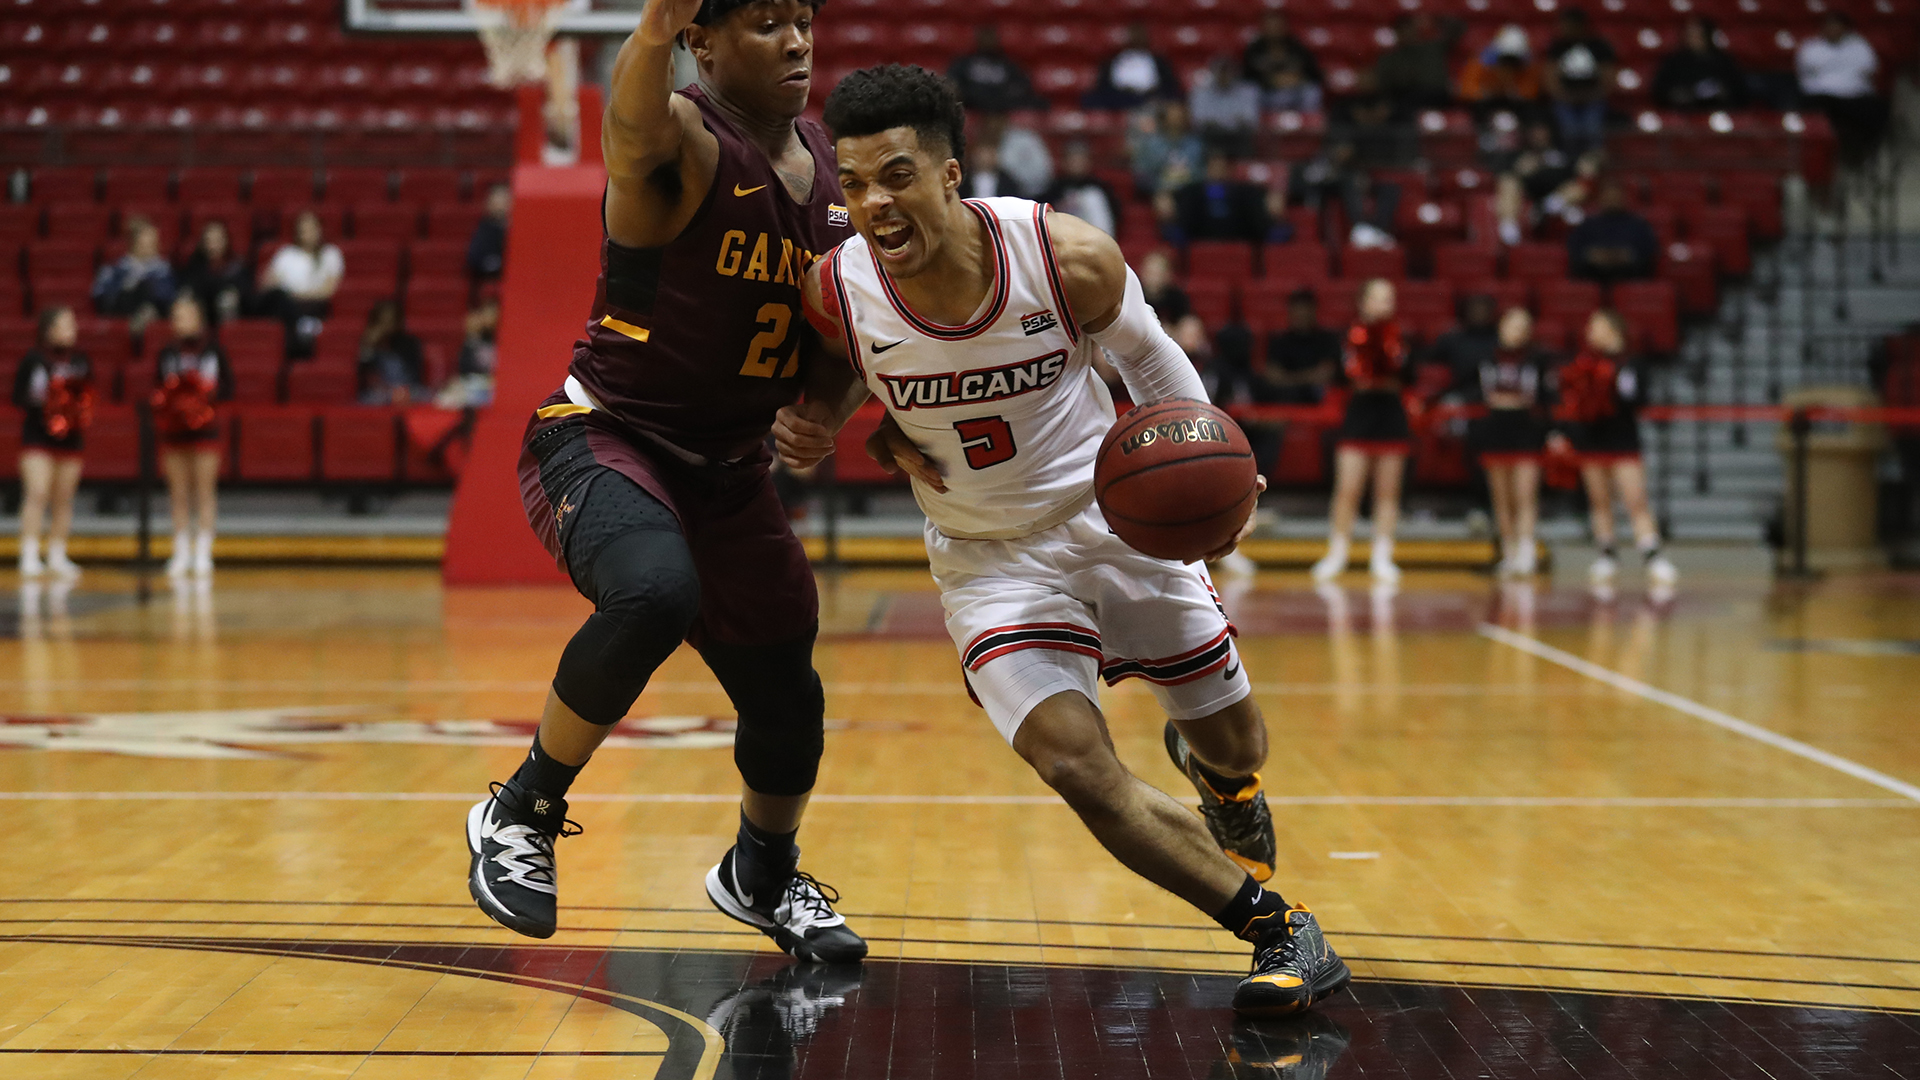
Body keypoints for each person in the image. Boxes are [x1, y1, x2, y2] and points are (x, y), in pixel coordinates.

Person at [800, 62, 1348, 1017]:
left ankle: (1223, 778)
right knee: (1074, 765)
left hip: (1117, 519)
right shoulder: (834, 288)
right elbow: (860, 359)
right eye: (852, 184)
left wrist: (1217, 477)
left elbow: (1152, 362)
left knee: (1235, 739)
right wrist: (860, 419)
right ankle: (1276, 927)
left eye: (894, 175)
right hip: (986, 559)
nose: (873, 202)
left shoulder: (1066, 258)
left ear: (950, 175)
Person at [469, 0, 867, 966]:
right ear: (703, 41)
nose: (797, 40)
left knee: (789, 694)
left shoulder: (838, 173)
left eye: (802, 19)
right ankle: (517, 810)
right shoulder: (684, 136)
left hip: (732, 471)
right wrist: (650, 28)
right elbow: (633, 127)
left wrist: (829, 408)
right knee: (654, 591)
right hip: (609, 435)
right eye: (766, 21)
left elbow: (858, 320)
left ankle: (762, 875)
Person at [1549, 309, 1677, 588]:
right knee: (1600, 501)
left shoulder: (1633, 363)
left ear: (1613, 330)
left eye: (1596, 327)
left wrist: (1614, 387)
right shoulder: (1583, 363)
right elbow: (1570, 403)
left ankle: (1651, 556)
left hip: (1623, 440)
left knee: (1635, 500)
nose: (1590, 333)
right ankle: (1607, 555)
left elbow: (1638, 400)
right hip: (1592, 440)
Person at [1311, 279, 1410, 584]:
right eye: (1378, 298)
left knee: (1387, 492)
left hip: (1391, 417)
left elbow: (1409, 375)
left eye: (1389, 298)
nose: (1385, 304)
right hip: (1358, 416)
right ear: (1363, 301)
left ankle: (1382, 556)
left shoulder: (1402, 338)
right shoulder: (1347, 337)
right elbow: (1342, 377)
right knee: (1347, 489)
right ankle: (1338, 553)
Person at [1467, 306, 1552, 577]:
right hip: (1495, 428)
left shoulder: (1538, 359)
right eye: (1512, 325)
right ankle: (1509, 551)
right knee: (1501, 497)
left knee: (1525, 494)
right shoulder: (1486, 357)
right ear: (1502, 327)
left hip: (1526, 429)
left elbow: (1548, 398)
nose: (1517, 331)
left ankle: (1526, 550)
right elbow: (1471, 389)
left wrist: (1552, 430)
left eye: (1522, 326)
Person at [151, 295, 232, 579]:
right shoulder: (167, 353)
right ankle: (181, 549)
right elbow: (157, 389)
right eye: (176, 317)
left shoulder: (213, 351)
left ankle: (203, 551)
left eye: (185, 316)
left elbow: (227, 387)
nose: (180, 322)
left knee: (204, 490)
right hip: (174, 431)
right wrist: (174, 402)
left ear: (198, 319)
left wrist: (199, 399)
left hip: (205, 430)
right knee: (178, 492)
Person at [12, 305, 92, 579]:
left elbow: (88, 396)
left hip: (71, 438)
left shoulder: (80, 360)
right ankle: (29, 552)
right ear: (49, 329)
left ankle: (57, 554)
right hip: (37, 435)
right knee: (37, 492)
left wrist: (73, 408)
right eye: (65, 325)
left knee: (64, 498)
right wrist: (47, 403)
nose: (72, 330)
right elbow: (18, 396)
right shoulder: (33, 359)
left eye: (73, 325)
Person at [1796, 13, 1886, 164]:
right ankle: (1817, 155)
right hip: (1821, 96)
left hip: (1853, 96)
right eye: (1829, 25)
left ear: (1845, 28)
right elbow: (1807, 72)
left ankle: (1860, 153)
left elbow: (1869, 70)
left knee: (1878, 109)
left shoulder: (1860, 46)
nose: (1833, 29)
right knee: (1812, 111)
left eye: (1837, 25)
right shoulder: (1810, 47)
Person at [258, 208, 343, 357]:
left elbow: (328, 290)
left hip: (314, 306)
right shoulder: (286, 254)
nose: (307, 233)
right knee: (277, 299)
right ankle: (302, 325)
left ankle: (302, 327)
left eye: (311, 228)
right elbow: (268, 285)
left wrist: (297, 295)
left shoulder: (330, 254)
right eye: (303, 229)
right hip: (284, 307)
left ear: (320, 230)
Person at [1544, 9, 1617, 154]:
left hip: (1593, 99)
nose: (1563, 29)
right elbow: (1549, 78)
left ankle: (1593, 164)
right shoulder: (1558, 47)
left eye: (1567, 25)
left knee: (1592, 130)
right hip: (1565, 99)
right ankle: (1570, 163)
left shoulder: (1598, 47)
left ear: (1579, 25)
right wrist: (1566, 96)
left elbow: (1609, 78)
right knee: (1569, 130)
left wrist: (1591, 95)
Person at [1160, 150, 1271, 245]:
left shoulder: (1245, 192)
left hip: (1238, 240)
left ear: (1229, 169)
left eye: (1221, 166)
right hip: (1198, 240)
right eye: (1213, 166)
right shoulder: (1192, 191)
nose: (1217, 170)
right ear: (1207, 168)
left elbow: (1259, 224)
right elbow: (1181, 222)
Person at [91, 216, 176, 332]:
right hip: (120, 327)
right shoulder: (113, 271)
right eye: (148, 241)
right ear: (134, 243)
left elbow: (170, 300)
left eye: (155, 241)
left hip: (157, 327)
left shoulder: (164, 271)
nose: (155, 245)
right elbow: (102, 300)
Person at [1568, 177, 1657, 284]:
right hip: (1593, 277)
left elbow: (1648, 250)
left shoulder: (1638, 225)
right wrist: (1593, 256)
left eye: (1615, 196)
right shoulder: (1587, 225)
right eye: (1608, 196)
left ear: (1624, 198)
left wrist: (1626, 256)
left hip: (1629, 278)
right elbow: (1575, 249)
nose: (1612, 200)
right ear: (1600, 198)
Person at [1260, 289, 1341, 405]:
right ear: (1290, 312)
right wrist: (1308, 378)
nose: (1301, 315)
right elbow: (1273, 376)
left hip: (1319, 400)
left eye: (1305, 310)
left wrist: (1288, 379)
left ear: (1313, 311)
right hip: (1286, 401)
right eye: (1297, 310)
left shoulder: (1329, 340)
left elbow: (1325, 375)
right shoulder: (1278, 342)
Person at [1373, 13, 1462, 113]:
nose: (1408, 33)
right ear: (1397, 32)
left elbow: (1458, 30)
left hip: (1437, 97)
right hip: (1405, 100)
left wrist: (1439, 18)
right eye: (1404, 29)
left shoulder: (1432, 47)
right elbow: (1385, 86)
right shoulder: (1389, 57)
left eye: (1411, 28)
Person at [1653, 17, 1747, 112]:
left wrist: (1724, 92)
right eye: (1690, 34)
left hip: (1718, 111)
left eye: (1699, 34)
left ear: (1708, 36)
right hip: (1684, 113)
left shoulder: (1723, 61)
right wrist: (1680, 94)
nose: (1694, 38)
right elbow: (1660, 91)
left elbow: (1739, 91)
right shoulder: (1674, 61)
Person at [946, 24, 1042, 114]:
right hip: (972, 104)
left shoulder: (1007, 64)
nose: (988, 41)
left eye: (991, 37)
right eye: (985, 37)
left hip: (1001, 106)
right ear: (978, 39)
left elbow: (1021, 86)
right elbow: (952, 82)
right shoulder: (964, 63)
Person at [1085, 22, 1181, 112]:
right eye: (1133, 35)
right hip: (1120, 98)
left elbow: (1170, 85)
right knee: (1090, 99)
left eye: (1139, 35)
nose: (1136, 38)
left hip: (1149, 98)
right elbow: (1103, 86)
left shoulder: (1159, 61)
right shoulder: (1112, 61)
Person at [1459, 24, 1544, 120]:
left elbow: (1530, 92)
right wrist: (1483, 93)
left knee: (1531, 110)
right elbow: (1466, 88)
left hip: (1515, 105)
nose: (1509, 64)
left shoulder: (1529, 66)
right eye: (1506, 59)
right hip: (1488, 103)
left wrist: (1513, 92)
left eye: (1513, 60)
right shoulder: (1481, 63)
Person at [176, 219, 250, 326]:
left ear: (226, 241)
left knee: (227, 300)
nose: (213, 245)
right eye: (209, 241)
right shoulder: (194, 267)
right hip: (201, 316)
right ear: (203, 243)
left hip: (229, 316)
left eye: (217, 240)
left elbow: (246, 295)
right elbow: (187, 288)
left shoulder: (237, 267)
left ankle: (228, 337)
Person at [1128, 99, 1207, 198]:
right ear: (1163, 119)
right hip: (1160, 191)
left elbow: (1202, 172)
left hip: (1191, 192)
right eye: (1173, 116)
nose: (1176, 120)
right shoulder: (1150, 145)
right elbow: (1142, 175)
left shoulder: (1197, 144)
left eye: (1179, 117)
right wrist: (1161, 188)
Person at [1043, 141, 1120, 239]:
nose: (1076, 163)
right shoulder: (1054, 189)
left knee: (1092, 197)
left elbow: (1115, 216)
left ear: (1088, 161)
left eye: (1080, 159)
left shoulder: (1099, 188)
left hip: (1094, 241)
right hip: (1062, 243)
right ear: (1064, 161)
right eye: (1072, 159)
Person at [1188, 56, 1262, 158]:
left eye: (1227, 71)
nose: (1223, 75)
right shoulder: (1200, 92)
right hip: (1212, 137)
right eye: (1220, 71)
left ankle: (1243, 170)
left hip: (1239, 137)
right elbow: (1199, 121)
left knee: (1246, 137)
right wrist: (1232, 120)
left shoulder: (1248, 91)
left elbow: (1250, 120)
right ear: (1213, 73)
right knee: (1205, 139)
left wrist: (1218, 121)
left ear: (1235, 73)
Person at [357, 299, 428, 404]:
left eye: (391, 321)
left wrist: (402, 391)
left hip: (408, 390)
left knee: (427, 396)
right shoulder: (369, 344)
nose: (387, 326)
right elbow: (364, 377)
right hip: (380, 393)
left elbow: (414, 374)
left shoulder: (409, 343)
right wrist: (369, 346)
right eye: (383, 321)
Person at [974, 111, 1053, 201]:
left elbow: (1042, 175)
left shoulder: (1025, 140)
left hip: (1027, 195)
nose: (993, 125)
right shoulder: (968, 179)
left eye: (997, 120)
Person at [1243, 12, 1322, 96]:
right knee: (1249, 90)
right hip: (1267, 93)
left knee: (1312, 89)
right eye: (1270, 26)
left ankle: (1309, 110)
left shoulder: (1297, 48)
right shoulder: (1255, 50)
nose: (1274, 30)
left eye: (1277, 26)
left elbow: (1314, 74)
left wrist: (1297, 79)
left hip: (1294, 91)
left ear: (1285, 27)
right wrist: (1272, 80)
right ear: (1263, 28)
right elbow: (1247, 76)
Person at [467, 182, 512, 281]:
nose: (501, 204)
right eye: (497, 200)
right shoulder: (485, 230)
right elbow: (475, 258)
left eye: (505, 199)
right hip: (491, 278)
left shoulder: (518, 229)